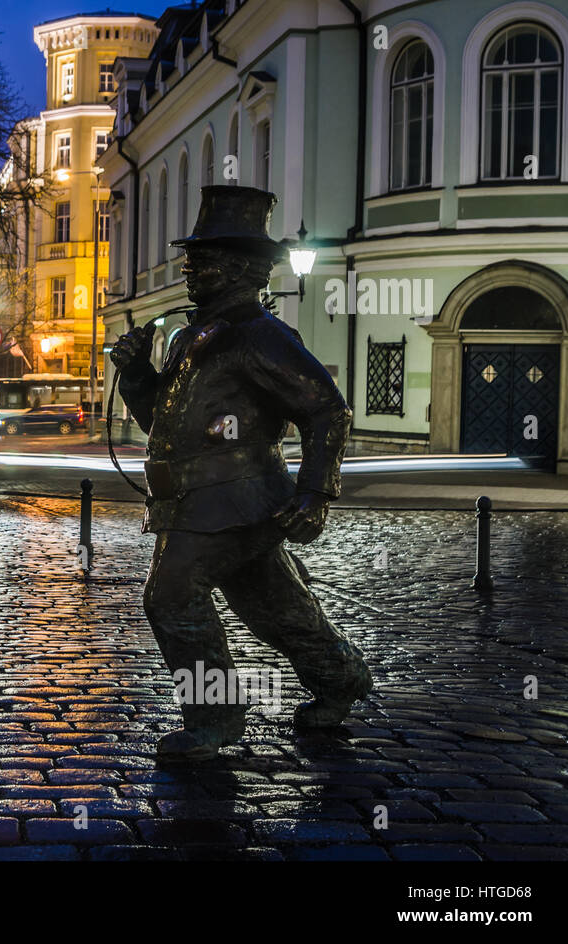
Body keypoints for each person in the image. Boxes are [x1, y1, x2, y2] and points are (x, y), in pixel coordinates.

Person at [110, 185, 372, 762]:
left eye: (200, 261)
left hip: (239, 498)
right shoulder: (190, 337)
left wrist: (315, 494)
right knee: (274, 606)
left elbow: (328, 410)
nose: (188, 270)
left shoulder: (262, 335)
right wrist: (135, 374)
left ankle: (216, 719)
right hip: (199, 500)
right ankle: (340, 680)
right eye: (191, 260)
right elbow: (161, 418)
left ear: (237, 271)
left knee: (172, 597)